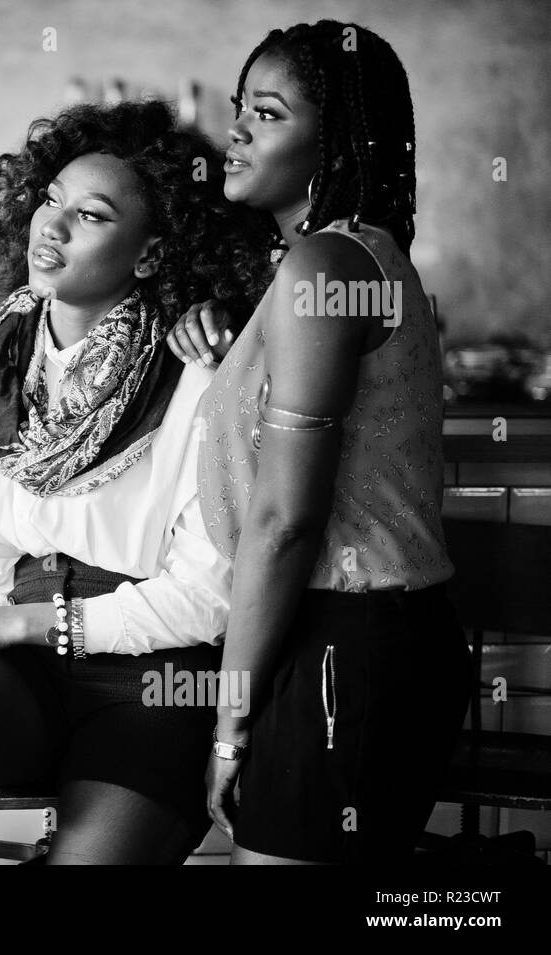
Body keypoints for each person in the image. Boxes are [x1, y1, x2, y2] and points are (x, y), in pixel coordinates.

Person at [0, 100, 272, 864]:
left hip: (153, 686)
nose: (53, 225)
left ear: (148, 255)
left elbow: (208, 599)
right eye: (51, 201)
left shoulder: (201, 379)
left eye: (92, 215)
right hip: (20, 684)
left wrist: (24, 625)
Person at [167, 20, 472, 864]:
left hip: (346, 641)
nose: (235, 131)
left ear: (335, 142)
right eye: (239, 109)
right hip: (359, 640)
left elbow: (284, 522)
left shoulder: (326, 267)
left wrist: (231, 718)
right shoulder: (341, 261)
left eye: (266, 114)